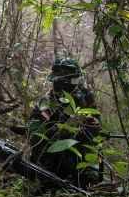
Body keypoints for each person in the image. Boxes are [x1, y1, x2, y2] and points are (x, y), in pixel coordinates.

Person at [27, 57, 102, 187]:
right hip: (49, 165)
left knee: (94, 183)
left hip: (79, 164)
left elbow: (96, 134)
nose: (74, 91)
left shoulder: (84, 98)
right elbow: (35, 141)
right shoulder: (45, 104)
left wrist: (93, 128)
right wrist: (64, 128)